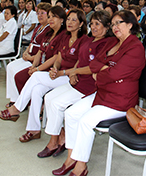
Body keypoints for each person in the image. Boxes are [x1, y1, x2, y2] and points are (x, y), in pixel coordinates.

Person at [56, 11, 145, 176]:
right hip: (103, 92)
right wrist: (105, 70)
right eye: (113, 23)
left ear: (130, 25)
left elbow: (114, 74)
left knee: (85, 121)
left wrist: (101, 72)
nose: (115, 27)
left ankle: (81, 166)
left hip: (120, 100)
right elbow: (95, 63)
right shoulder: (114, 43)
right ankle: (71, 157)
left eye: (119, 23)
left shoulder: (135, 48)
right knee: (71, 113)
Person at [0, 9, 86, 143]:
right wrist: (55, 69)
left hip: (69, 77)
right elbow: (59, 58)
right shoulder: (66, 37)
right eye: (69, 19)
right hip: (58, 74)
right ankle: (34, 130)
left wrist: (59, 72)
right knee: (36, 90)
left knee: (36, 76)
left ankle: (16, 108)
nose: (70, 22)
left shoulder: (84, 41)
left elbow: (79, 65)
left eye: (74, 20)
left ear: (81, 24)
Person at [38, 11, 114, 158]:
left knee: (57, 103)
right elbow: (81, 59)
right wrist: (73, 72)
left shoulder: (106, 43)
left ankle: (54, 142)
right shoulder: (90, 40)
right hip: (77, 79)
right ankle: (59, 136)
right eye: (92, 23)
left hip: (89, 85)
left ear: (106, 27)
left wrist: (74, 71)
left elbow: (94, 67)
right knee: (49, 98)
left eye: (97, 24)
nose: (94, 27)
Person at [8, 6, 67, 108]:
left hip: (50, 68)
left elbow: (55, 58)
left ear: (62, 19)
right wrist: (33, 66)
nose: (50, 19)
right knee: (19, 76)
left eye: (54, 16)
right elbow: (40, 51)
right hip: (40, 64)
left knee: (25, 78)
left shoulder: (63, 35)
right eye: (49, 17)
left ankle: (22, 106)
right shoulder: (49, 33)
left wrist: (38, 69)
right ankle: (27, 104)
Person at [5, 3, 52, 104]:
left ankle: (21, 100)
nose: (39, 15)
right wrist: (25, 53)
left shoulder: (49, 29)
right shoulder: (38, 27)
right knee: (10, 66)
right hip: (29, 56)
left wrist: (31, 58)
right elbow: (31, 42)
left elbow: (44, 50)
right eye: (38, 13)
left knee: (17, 72)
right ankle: (14, 97)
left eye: (42, 13)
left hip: (35, 59)